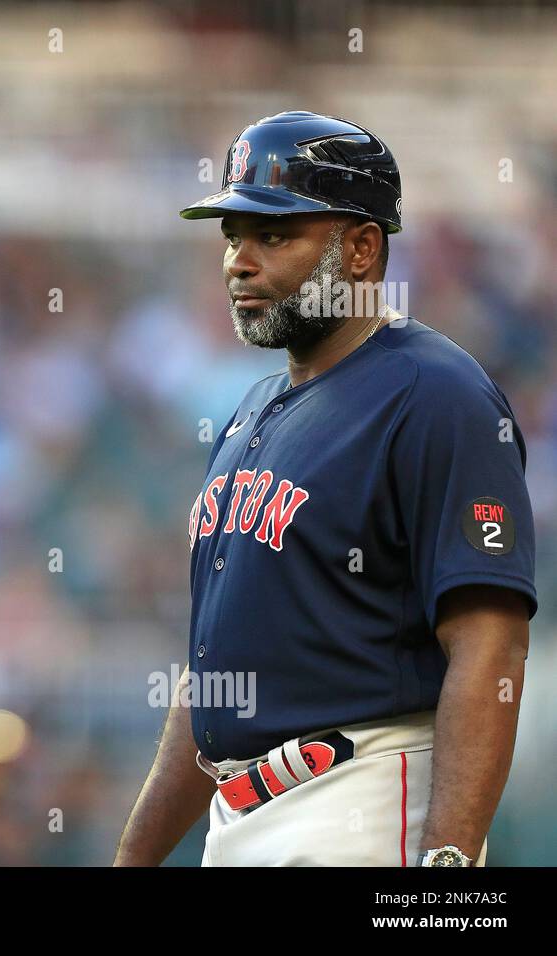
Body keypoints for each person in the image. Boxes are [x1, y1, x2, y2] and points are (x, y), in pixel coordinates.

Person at [114, 111, 537, 867]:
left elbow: (490, 645)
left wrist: (446, 870)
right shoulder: (250, 414)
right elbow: (212, 680)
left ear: (363, 248)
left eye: (273, 235)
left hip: (361, 803)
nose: (239, 262)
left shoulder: (434, 393)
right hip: (240, 818)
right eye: (232, 236)